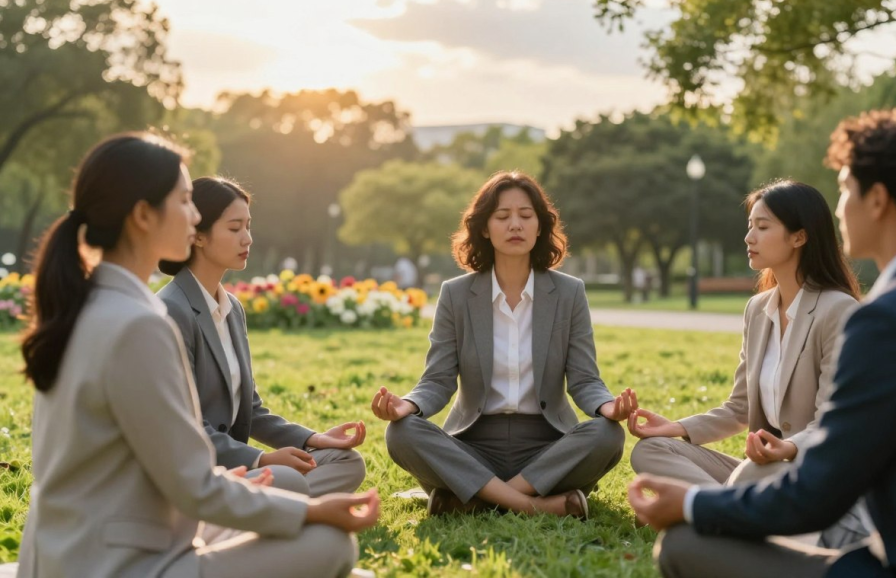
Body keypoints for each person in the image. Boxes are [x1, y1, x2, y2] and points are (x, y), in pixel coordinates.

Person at [630, 107, 896, 577]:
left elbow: (816, 493)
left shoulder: (884, 320)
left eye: (843, 189)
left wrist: (695, 504)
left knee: (684, 546)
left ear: (876, 200)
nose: (838, 210)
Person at [17, 133, 378, 578]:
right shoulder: (140, 324)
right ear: (144, 215)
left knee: (294, 508)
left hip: (83, 545)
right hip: (117, 563)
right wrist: (311, 513)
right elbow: (195, 486)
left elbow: (160, 469)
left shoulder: (88, 304)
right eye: (186, 200)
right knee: (329, 544)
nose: (193, 215)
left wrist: (255, 480)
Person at [372, 171, 633, 518]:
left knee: (608, 435)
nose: (515, 225)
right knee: (401, 433)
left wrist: (607, 408)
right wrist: (408, 405)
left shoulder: (570, 293)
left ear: (540, 227)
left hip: (547, 445)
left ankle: (474, 498)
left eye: (526, 216)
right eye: (502, 216)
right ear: (484, 227)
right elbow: (437, 380)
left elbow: (585, 380)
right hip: (472, 445)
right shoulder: (455, 294)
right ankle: (536, 506)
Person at [629, 180, 868, 547]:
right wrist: (676, 427)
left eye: (763, 226)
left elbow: (834, 422)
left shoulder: (838, 311)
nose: (748, 237)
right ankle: (739, 515)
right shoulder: (758, 310)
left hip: (806, 474)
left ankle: (724, 513)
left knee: (753, 472)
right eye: (749, 225)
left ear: (799, 237)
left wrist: (789, 448)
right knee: (652, 450)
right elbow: (739, 407)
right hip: (758, 474)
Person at [158, 176, 366, 497]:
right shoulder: (172, 311)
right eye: (234, 228)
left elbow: (251, 411)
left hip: (241, 470)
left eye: (248, 227)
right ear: (198, 235)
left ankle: (269, 506)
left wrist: (312, 439)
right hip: (196, 470)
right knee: (290, 480)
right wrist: (261, 458)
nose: (248, 239)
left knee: (346, 460)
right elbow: (183, 425)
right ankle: (273, 506)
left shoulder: (233, 309)